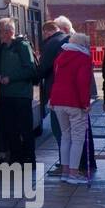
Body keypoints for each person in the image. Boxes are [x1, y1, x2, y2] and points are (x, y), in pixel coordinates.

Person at [50, 32, 94, 184]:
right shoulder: (83, 58)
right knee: (78, 138)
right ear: (83, 45)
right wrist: (85, 104)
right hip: (74, 103)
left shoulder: (60, 57)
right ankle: (74, 175)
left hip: (58, 101)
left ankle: (65, 171)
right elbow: (83, 83)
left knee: (65, 136)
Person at [0, 18, 38, 164]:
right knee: (11, 130)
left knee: (25, 129)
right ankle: (15, 159)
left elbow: (31, 71)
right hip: (6, 95)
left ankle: (29, 160)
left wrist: (10, 78)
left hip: (22, 96)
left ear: (9, 32)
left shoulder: (22, 46)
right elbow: (1, 66)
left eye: (0, 31)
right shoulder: (2, 48)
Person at [34, 18, 70, 159]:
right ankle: (72, 164)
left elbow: (43, 68)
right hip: (72, 93)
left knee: (59, 129)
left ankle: (64, 163)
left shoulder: (52, 43)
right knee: (69, 131)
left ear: (47, 32)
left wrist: (34, 77)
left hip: (56, 91)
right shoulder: (69, 39)